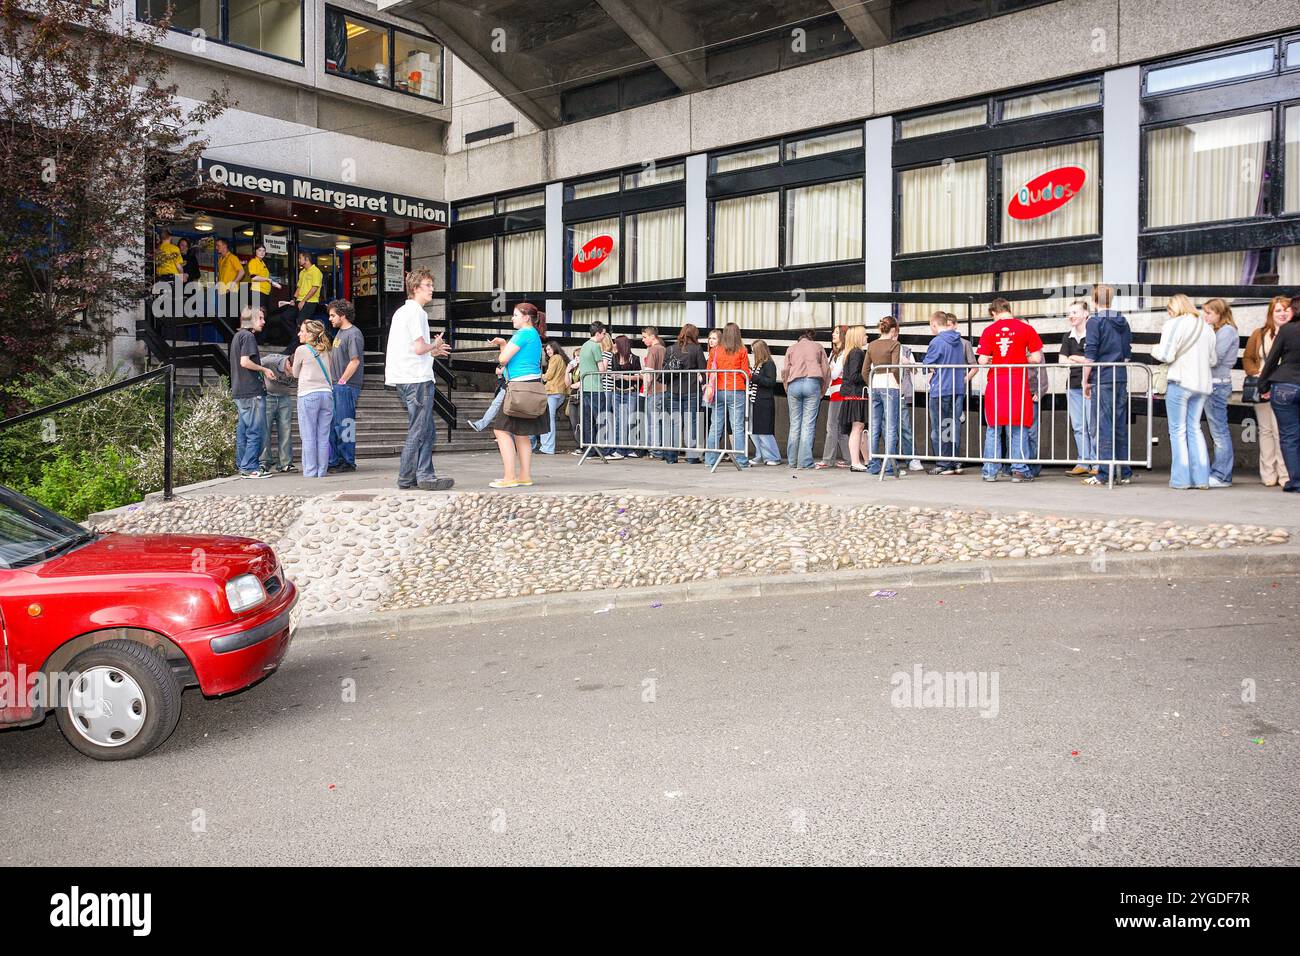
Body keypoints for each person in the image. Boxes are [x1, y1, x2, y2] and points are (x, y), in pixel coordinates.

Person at [385, 268, 453, 491]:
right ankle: (410, 477)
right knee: (419, 429)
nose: (432, 289)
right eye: (428, 285)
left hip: (403, 378)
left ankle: (424, 474)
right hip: (417, 379)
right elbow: (418, 347)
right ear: (415, 289)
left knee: (427, 429)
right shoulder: (417, 313)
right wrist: (434, 345)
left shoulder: (401, 312)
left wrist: (432, 351)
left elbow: (410, 349)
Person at [1153, 293, 1215, 490]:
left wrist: (1154, 350)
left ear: (1174, 309)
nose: (1169, 314)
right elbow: (1213, 360)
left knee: (1177, 431)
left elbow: (1165, 354)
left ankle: (1181, 479)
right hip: (1202, 384)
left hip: (1180, 381)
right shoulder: (1207, 328)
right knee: (1194, 428)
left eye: (1169, 310)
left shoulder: (1174, 324)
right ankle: (1202, 478)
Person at [978, 299, 1043, 482]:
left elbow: (982, 360)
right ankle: (1019, 470)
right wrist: (1022, 359)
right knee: (1018, 426)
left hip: (997, 382)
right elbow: (1037, 358)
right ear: (1008, 309)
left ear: (993, 313)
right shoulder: (1026, 328)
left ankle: (990, 471)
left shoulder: (989, 330)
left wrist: (994, 360)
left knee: (994, 427)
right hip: (1017, 383)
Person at [1080, 284, 1134, 487]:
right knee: (1119, 426)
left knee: (1103, 426)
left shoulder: (1095, 322)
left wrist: (1085, 380)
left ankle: (1104, 473)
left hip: (1102, 378)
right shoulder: (1123, 321)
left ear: (1094, 301)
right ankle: (1123, 470)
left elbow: (1090, 354)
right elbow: (1128, 352)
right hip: (1120, 376)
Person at [489, 302, 547, 488]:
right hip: (531, 387)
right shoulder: (535, 335)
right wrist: (505, 344)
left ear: (525, 317)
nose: (512, 318)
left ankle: (509, 476)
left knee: (501, 430)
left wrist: (504, 345)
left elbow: (503, 359)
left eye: (515, 315)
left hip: (519, 389)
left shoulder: (522, 334)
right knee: (522, 433)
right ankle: (524, 475)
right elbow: (510, 362)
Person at [1243, 296, 1291, 487]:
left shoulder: (1293, 333)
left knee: (1281, 431)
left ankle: (1285, 474)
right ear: (1271, 313)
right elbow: (1247, 358)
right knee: (1265, 430)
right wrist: (1256, 373)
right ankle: (1268, 473)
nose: (1282, 313)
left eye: (1285, 310)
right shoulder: (1259, 334)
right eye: (1278, 310)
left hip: (1284, 387)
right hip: (1261, 385)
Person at [228, 306, 275, 478]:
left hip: (240, 391)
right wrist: (263, 369)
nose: (263, 321)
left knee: (243, 431)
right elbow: (245, 362)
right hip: (251, 391)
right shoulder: (248, 336)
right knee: (257, 431)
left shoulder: (238, 336)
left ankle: (243, 465)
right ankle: (249, 467)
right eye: (260, 318)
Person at [1257, 305, 1300, 492]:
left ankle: (1295, 481)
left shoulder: (1287, 329)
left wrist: (1263, 385)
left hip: (1285, 385)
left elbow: (1272, 359)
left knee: (1289, 436)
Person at [922, 311, 968, 475]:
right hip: (957, 389)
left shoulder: (937, 342)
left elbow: (927, 365)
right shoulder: (959, 341)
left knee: (938, 428)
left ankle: (943, 463)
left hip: (940, 388)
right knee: (951, 426)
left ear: (934, 324)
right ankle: (954, 461)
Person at [291, 319, 335, 479]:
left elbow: (295, 374)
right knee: (323, 435)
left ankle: (310, 471)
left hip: (308, 394)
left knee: (308, 435)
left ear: (310, 334)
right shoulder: (326, 350)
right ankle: (322, 471)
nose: (299, 334)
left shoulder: (301, 350)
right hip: (326, 394)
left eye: (302, 331)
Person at [1202, 297, 1239, 488]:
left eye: (1209, 312)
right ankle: (1219, 471)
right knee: (1217, 430)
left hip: (1217, 384)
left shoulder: (1227, 331)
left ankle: (1222, 474)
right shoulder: (1219, 330)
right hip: (1213, 384)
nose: (1205, 316)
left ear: (1220, 313)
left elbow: (1214, 358)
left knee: (1219, 431)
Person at [782, 328, 831, 470]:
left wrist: (787, 386)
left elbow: (785, 370)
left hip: (794, 385)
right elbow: (826, 370)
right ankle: (805, 462)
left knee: (795, 423)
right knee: (808, 424)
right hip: (812, 383)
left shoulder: (791, 348)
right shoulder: (818, 347)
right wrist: (823, 389)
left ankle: (792, 461)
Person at [703, 322, 750, 469]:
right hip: (736, 390)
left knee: (715, 425)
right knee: (737, 427)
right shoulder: (742, 350)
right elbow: (746, 373)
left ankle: (710, 459)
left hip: (719, 390)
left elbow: (709, 370)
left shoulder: (716, 351)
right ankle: (741, 460)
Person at [326, 298, 364, 474]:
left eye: (333, 315)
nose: (330, 319)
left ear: (343, 315)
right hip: (338, 386)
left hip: (346, 386)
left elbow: (354, 361)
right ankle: (336, 460)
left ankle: (348, 461)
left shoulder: (353, 334)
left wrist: (341, 381)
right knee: (335, 425)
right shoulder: (340, 333)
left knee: (345, 424)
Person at [865, 317, 905, 477]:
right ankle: (889, 465)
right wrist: (899, 384)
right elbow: (895, 368)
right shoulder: (895, 344)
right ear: (894, 330)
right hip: (890, 384)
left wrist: (870, 382)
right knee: (890, 426)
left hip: (875, 383)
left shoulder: (872, 345)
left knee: (874, 426)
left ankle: (873, 463)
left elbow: (864, 369)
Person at [663, 324, 706, 465]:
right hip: (691, 389)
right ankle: (692, 456)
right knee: (691, 423)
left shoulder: (670, 349)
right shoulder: (696, 348)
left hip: (672, 389)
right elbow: (703, 369)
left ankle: (671, 457)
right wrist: (704, 384)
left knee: (674, 423)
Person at [1059, 301, 1094, 477]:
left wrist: (1075, 358)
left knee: (1093, 425)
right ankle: (1083, 461)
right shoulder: (1068, 336)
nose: (1071, 315)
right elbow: (1061, 360)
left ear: (1086, 313)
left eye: (1075, 312)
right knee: (1079, 426)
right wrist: (1082, 359)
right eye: (1069, 313)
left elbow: (1093, 359)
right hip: (1073, 385)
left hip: (1091, 384)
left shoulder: (1094, 333)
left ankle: (1096, 462)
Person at [816, 324, 850, 470]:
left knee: (832, 426)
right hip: (834, 392)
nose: (833, 335)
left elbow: (834, 374)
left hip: (839, 393)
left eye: (836, 333)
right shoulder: (834, 353)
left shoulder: (844, 354)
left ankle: (828, 459)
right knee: (839, 428)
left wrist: (828, 369)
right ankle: (849, 458)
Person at [259, 343, 297, 474]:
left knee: (286, 430)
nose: (293, 375)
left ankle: (285, 463)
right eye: (292, 372)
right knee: (265, 430)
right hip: (268, 397)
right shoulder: (272, 360)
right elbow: (255, 366)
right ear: (288, 364)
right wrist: (261, 380)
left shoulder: (298, 368)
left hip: (285, 397)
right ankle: (264, 462)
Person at [577, 321, 612, 456]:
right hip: (596, 387)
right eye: (603, 333)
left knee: (587, 420)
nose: (604, 336)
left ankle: (589, 449)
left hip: (585, 386)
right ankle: (603, 448)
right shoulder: (596, 347)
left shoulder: (584, 346)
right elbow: (601, 370)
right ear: (597, 333)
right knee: (601, 418)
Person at [840, 325, 870, 472]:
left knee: (859, 428)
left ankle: (865, 460)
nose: (867, 337)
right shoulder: (857, 353)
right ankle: (856, 462)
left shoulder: (850, 352)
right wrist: (869, 374)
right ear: (858, 337)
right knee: (858, 428)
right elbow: (854, 376)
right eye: (864, 335)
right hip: (857, 394)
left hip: (852, 394)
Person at [748, 339, 781, 465]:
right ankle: (760, 455)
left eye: (754, 350)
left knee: (765, 431)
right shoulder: (758, 364)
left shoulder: (769, 364)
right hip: (756, 401)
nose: (753, 353)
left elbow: (770, 382)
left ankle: (773, 457)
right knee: (756, 431)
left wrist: (754, 377)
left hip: (764, 402)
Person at [610, 335, 642, 457]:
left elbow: (639, 376)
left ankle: (631, 448)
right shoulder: (614, 358)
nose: (614, 345)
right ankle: (620, 449)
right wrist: (614, 376)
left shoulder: (634, 358)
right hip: (617, 391)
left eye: (616, 343)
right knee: (619, 421)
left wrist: (624, 376)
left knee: (630, 420)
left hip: (631, 391)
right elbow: (612, 372)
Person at [640, 327, 667, 458]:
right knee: (661, 421)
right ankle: (661, 448)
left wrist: (645, 390)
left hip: (654, 391)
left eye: (645, 337)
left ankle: (656, 450)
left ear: (652, 337)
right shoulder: (663, 349)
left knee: (653, 422)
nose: (643, 339)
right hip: (664, 389)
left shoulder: (653, 350)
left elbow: (649, 374)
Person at [280, 251, 323, 330]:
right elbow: (299, 287)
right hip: (299, 301)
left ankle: (296, 340)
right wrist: (294, 299)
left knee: (301, 324)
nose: (299, 260)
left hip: (310, 302)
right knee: (285, 317)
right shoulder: (302, 272)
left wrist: (303, 301)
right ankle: (297, 337)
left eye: (300, 258)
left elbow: (314, 288)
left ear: (306, 259)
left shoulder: (316, 271)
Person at [540, 340, 569, 455]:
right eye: (546, 350)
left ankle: (547, 447)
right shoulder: (562, 359)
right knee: (549, 418)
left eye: (549, 349)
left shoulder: (554, 358)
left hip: (552, 391)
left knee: (548, 419)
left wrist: (540, 375)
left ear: (555, 348)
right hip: (560, 392)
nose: (548, 352)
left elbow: (549, 375)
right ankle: (547, 446)